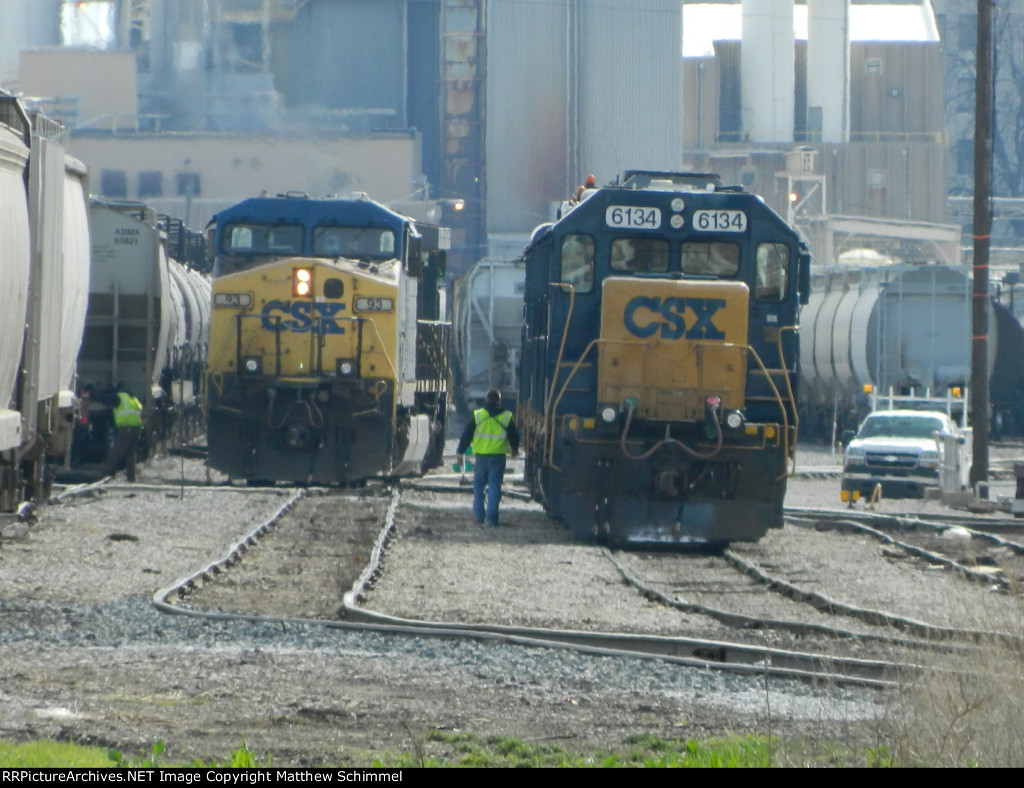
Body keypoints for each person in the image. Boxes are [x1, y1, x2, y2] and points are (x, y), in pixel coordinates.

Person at [457, 388, 520, 527]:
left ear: (486, 400)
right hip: (498, 458)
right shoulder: (506, 417)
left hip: (481, 458)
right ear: (499, 400)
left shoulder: (477, 415)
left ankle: (479, 517)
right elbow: (514, 436)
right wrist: (515, 449)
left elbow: (466, 435)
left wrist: (460, 452)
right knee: (494, 487)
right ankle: (492, 520)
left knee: (478, 487)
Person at [98, 382, 144, 482]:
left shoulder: (120, 398)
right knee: (130, 454)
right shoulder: (134, 399)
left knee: (117, 451)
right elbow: (140, 409)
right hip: (136, 429)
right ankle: (131, 478)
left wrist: (93, 392)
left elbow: (106, 400)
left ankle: (106, 473)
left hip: (126, 428)